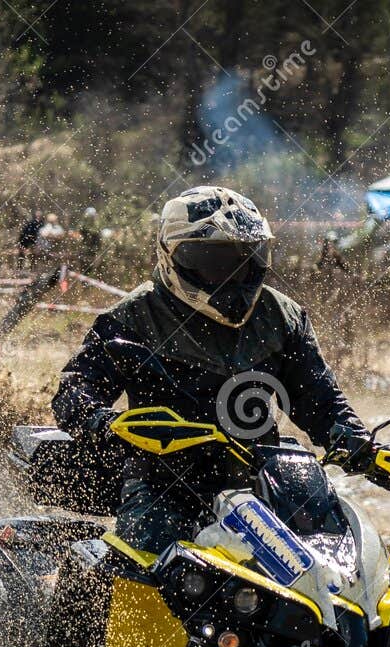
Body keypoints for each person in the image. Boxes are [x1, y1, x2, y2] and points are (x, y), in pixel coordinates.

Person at [52, 186, 370, 554]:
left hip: (265, 475)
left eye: (245, 260)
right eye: (215, 262)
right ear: (174, 255)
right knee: (152, 554)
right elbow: (74, 390)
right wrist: (107, 425)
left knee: (329, 548)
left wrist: (360, 444)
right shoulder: (132, 317)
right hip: (164, 480)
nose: (232, 276)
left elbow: (320, 402)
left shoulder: (282, 316)